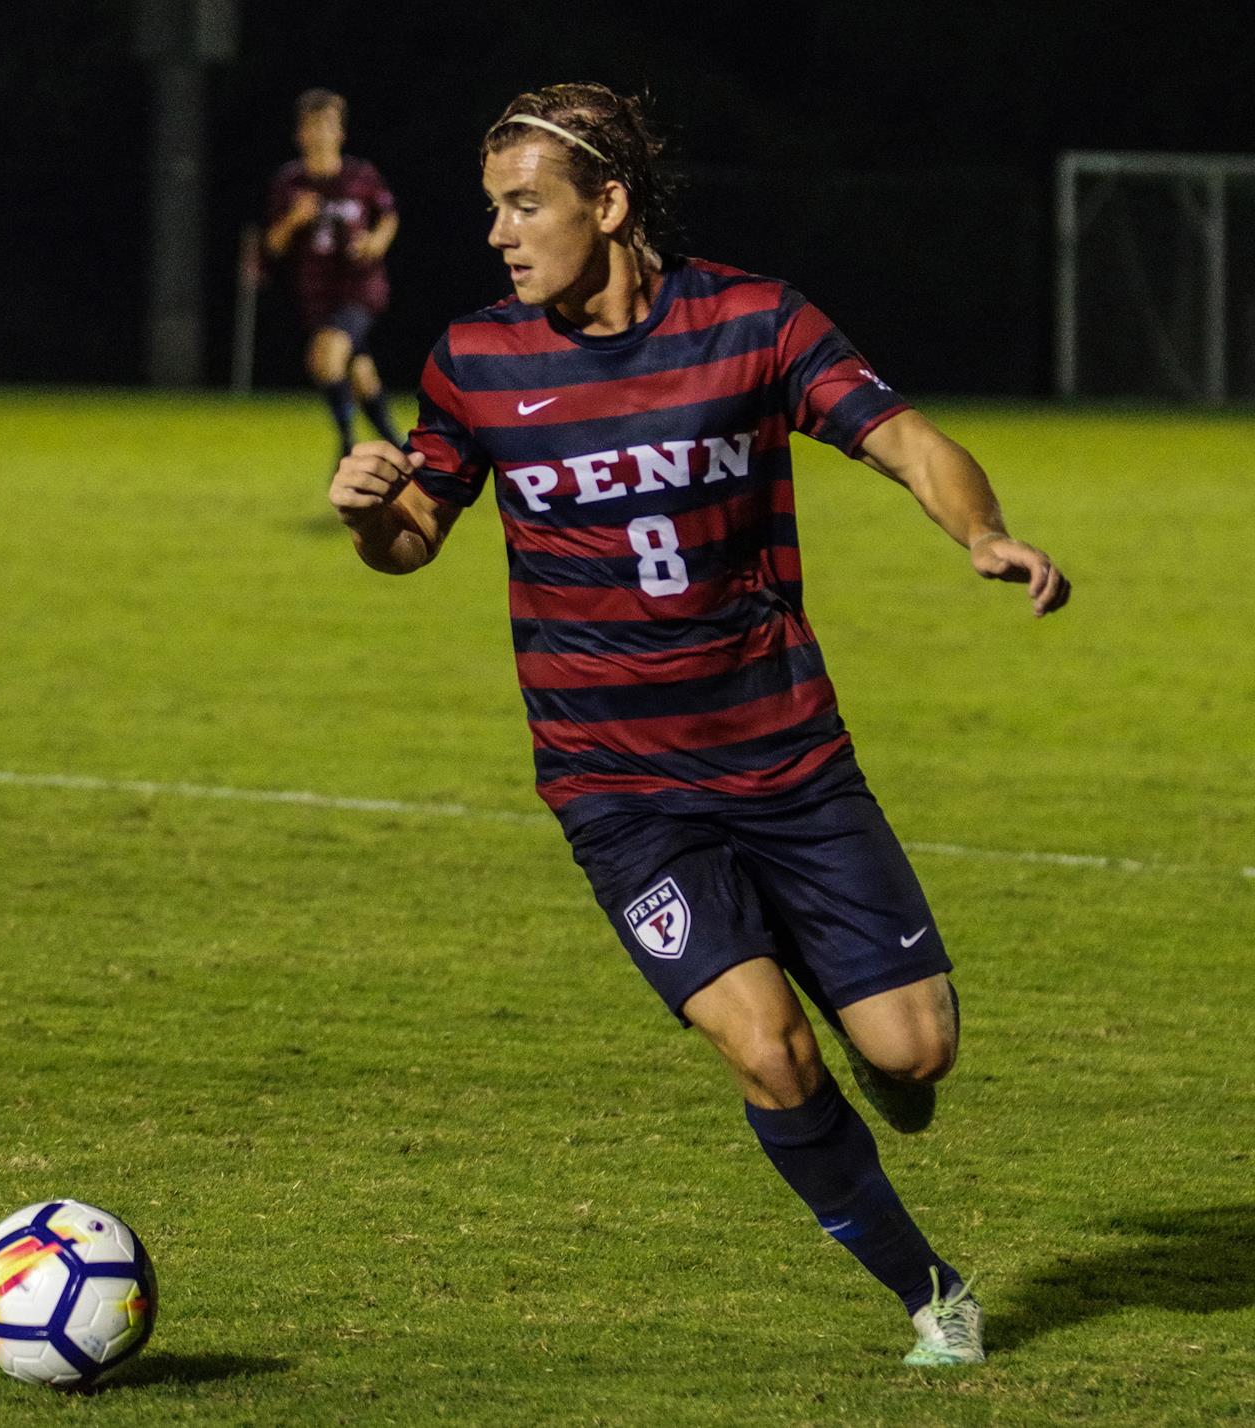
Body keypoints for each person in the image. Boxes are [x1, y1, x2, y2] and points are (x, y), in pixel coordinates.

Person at [328, 83, 1070, 1368]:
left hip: (783, 758)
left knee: (914, 1051)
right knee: (766, 1049)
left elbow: (904, 442)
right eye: (491, 209)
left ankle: (852, 1002)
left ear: (606, 204)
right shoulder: (477, 362)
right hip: (617, 789)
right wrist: (365, 511)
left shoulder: (751, 323)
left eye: (526, 206)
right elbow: (411, 542)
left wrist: (983, 531)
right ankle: (927, 1290)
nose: (501, 236)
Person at [264, 88, 403, 459]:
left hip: (360, 287)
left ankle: (346, 446)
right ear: (300, 134)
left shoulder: (360, 175)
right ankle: (401, 450)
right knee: (359, 375)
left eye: (329, 125)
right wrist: (294, 220)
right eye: (313, 126)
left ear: (341, 132)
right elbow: (273, 246)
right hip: (316, 293)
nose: (322, 133)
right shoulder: (290, 182)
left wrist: (375, 242)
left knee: (326, 358)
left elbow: (389, 215)